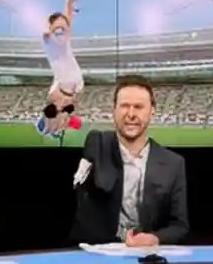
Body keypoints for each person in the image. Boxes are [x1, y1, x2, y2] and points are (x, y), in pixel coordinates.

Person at [69, 74, 189, 246]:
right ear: (114, 110)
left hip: (144, 255)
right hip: (98, 253)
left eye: (138, 107)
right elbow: (91, 190)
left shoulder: (173, 164)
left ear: (152, 112)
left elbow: (180, 226)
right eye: (124, 106)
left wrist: (153, 238)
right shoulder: (98, 144)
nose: (131, 114)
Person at [35, 0, 85, 142]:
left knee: (65, 109)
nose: (62, 33)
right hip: (63, 87)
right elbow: (48, 33)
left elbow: (67, 20)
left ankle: (56, 124)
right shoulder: (50, 41)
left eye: (64, 30)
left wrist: (69, 3)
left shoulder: (65, 39)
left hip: (72, 85)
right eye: (58, 30)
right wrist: (52, 29)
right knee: (58, 107)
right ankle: (49, 126)